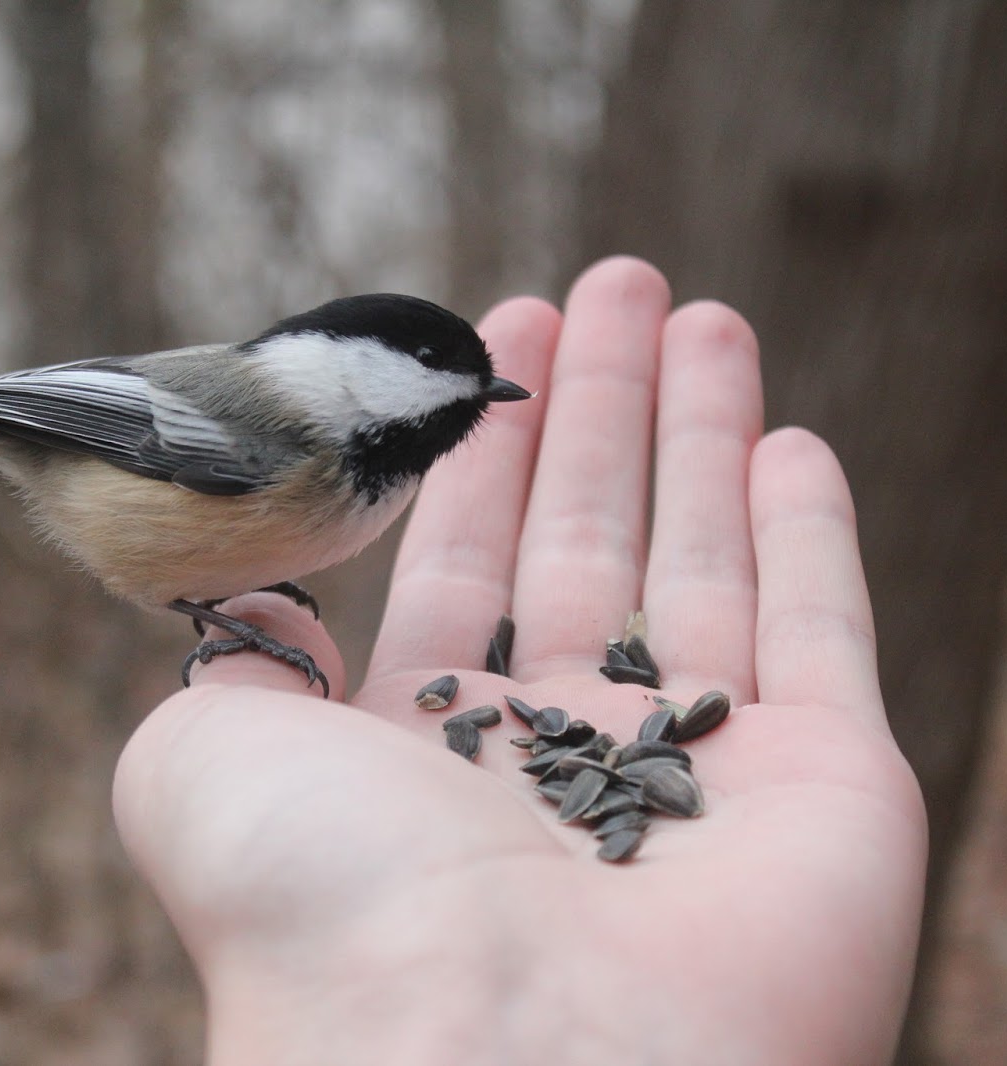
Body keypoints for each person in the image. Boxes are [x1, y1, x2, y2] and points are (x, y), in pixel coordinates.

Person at [111, 258, 929, 1065]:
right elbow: (113, 437)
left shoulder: (365, 467)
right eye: (442, 371)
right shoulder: (288, 428)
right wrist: (224, 619)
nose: (475, 398)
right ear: (352, 368)